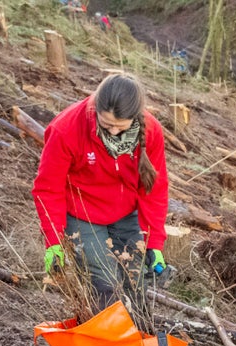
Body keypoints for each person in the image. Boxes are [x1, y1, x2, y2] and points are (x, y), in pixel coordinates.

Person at [32, 74, 168, 315]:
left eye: (121, 126)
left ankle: (138, 336)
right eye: (106, 125)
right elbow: (48, 188)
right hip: (83, 215)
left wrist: (154, 241)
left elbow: (154, 190)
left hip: (126, 213)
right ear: (96, 110)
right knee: (105, 282)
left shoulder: (152, 130)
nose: (114, 131)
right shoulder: (66, 129)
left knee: (134, 279)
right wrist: (53, 241)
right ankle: (107, 341)